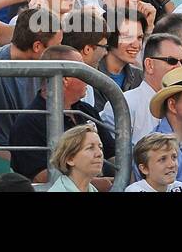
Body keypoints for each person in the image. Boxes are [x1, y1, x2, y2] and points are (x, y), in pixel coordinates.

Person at [0, 15, 63, 175]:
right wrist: (12, 157)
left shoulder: (44, 67)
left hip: (28, 151)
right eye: (57, 46)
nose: (60, 52)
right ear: (38, 46)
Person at [9, 44, 115, 182]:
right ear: (65, 79)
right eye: (82, 72)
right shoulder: (29, 122)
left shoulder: (87, 111)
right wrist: (99, 185)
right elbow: (42, 176)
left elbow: (112, 155)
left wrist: (124, 178)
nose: (88, 78)